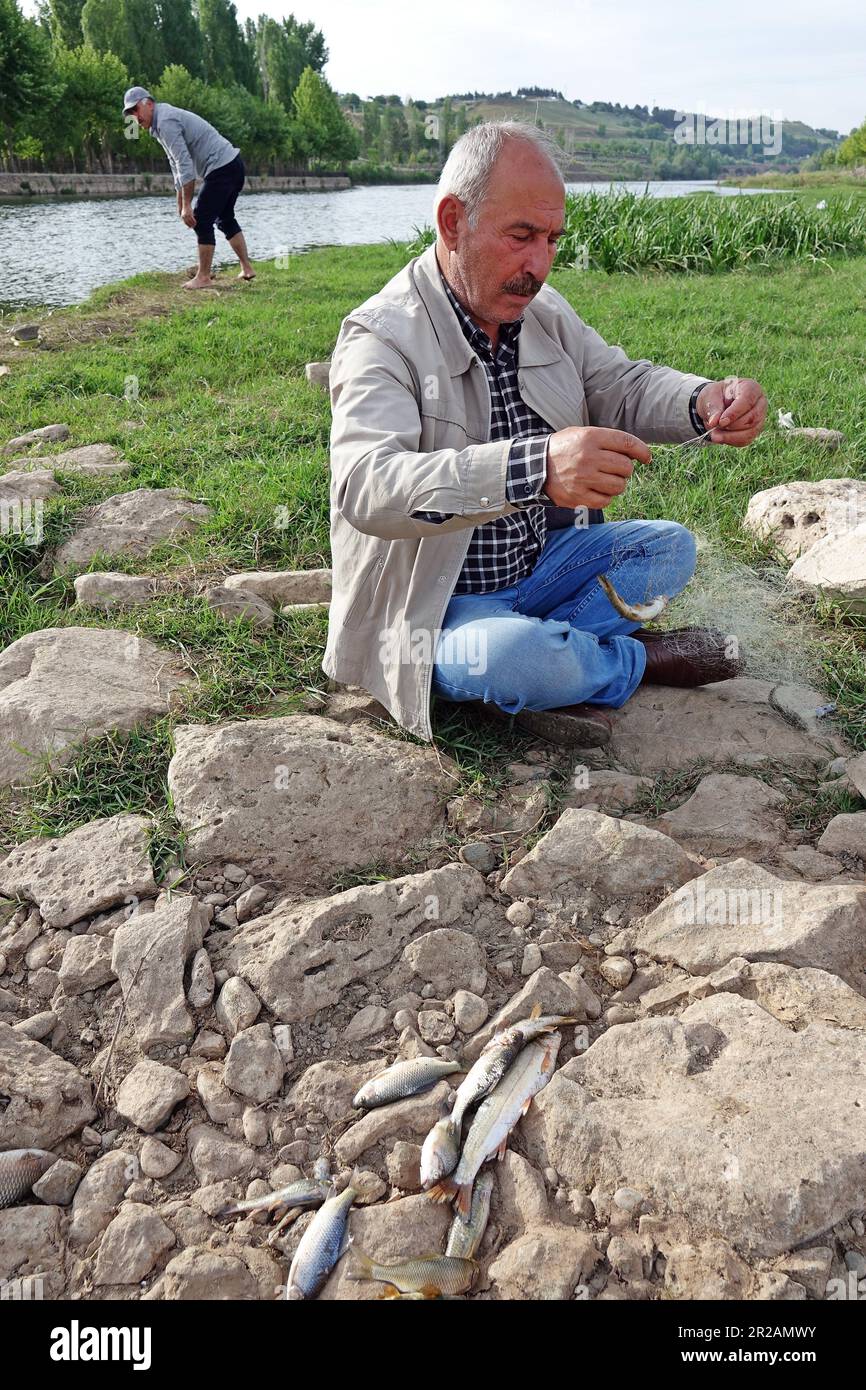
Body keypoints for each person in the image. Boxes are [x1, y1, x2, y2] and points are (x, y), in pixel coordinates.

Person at [325, 121, 768, 748]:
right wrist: (533, 468)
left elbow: (620, 384)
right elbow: (366, 487)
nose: (538, 265)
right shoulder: (382, 339)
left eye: (553, 239)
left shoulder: (543, 310)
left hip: (540, 571)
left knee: (669, 548)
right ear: (453, 221)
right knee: (505, 656)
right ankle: (631, 662)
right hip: (437, 609)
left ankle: (557, 663)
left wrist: (703, 401)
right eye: (521, 236)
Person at [122, 86, 255, 289]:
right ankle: (247, 268)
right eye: (130, 114)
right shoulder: (158, 125)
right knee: (225, 218)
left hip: (223, 167)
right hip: (232, 164)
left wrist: (187, 205)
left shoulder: (165, 121)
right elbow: (174, 164)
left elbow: (185, 166)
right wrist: (180, 203)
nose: (134, 118)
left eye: (135, 110)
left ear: (148, 104)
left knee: (201, 221)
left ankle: (203, 277)